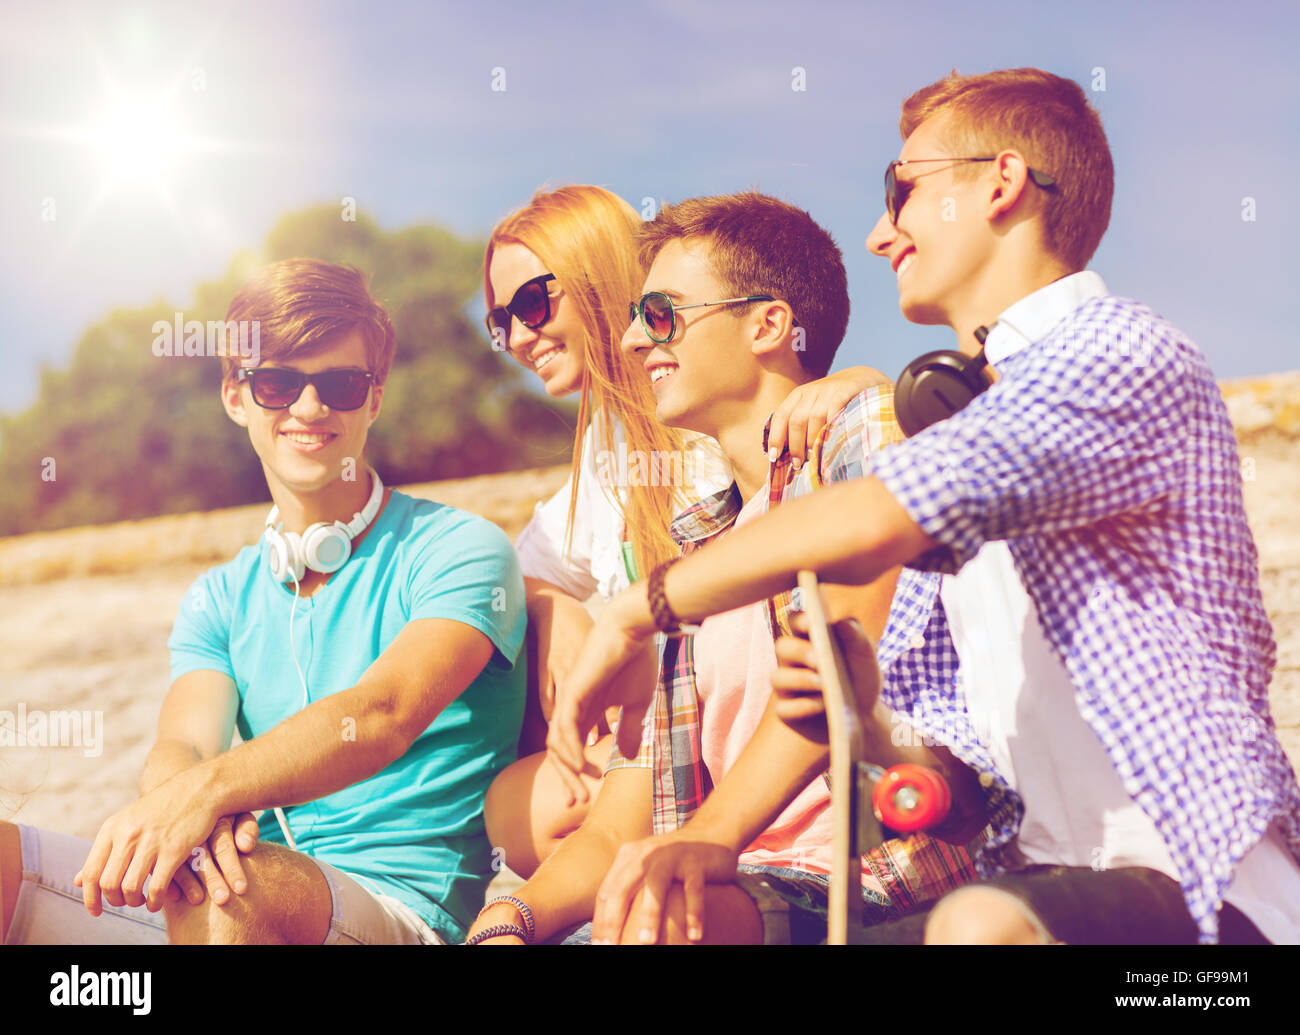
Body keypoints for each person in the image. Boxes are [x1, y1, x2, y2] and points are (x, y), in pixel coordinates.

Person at [545, 68, 1300, 945]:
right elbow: (947, 775)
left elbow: (872, 518)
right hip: (1035, 882)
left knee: (980, 927)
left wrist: (634, 612)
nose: (878, 233)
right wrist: (868, 728)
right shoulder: (972, 422)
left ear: (1003, 182)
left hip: (1210, 911)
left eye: (901, 191)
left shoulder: (1124, 352)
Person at [466, 192, 981, 947]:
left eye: (663, 315)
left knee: (653, 916)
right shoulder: (696, 553)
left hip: (868, 882)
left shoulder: (856, 429)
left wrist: (700, 841)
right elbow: (616, 828)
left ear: (769, 324)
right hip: (727, 884)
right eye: (638, 318)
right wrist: (507, 920)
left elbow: (838, 668)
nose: (636, 341)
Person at [1, 258, 526, 945]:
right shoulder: (219, 596)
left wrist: (210, 795)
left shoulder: (461, 549)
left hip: (398, 914)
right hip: (228, 892)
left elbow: (382, 713)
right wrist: (187, 809)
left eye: (340, 384)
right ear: (236, 395)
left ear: (374, 398)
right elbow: (185, 740)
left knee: (232, 891)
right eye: (278, 382)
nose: (309, 408)